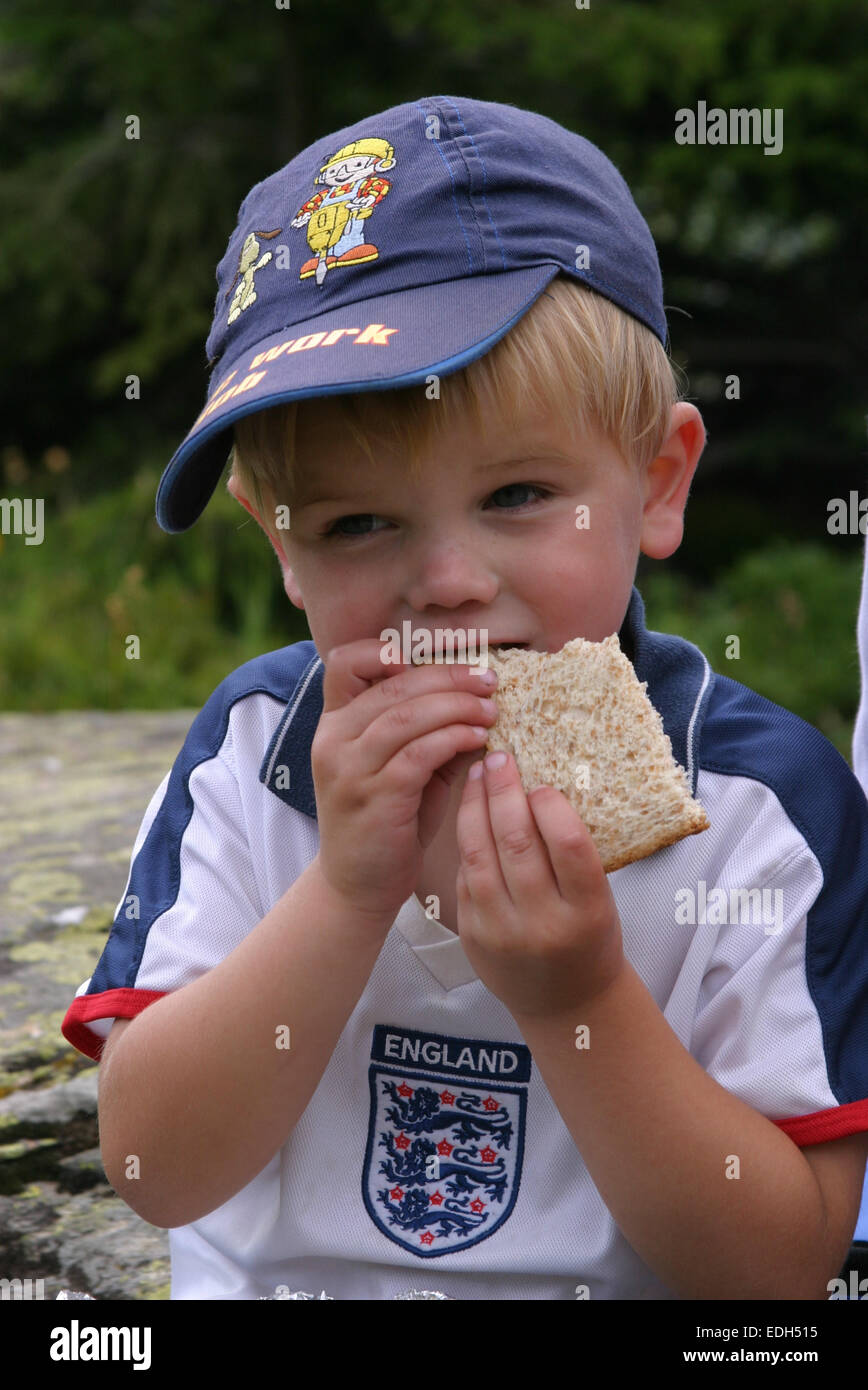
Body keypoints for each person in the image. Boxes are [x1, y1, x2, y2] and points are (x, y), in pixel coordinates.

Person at [62, 95, 868, 1301]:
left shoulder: (761, 806)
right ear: (278, 543)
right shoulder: (257, 758)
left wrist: (581, 1000)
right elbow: (149, 1165)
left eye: (518, 496)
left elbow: (778, 1271)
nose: (445, 582)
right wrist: (342, 895)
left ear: (657, 483)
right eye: (358, 523)